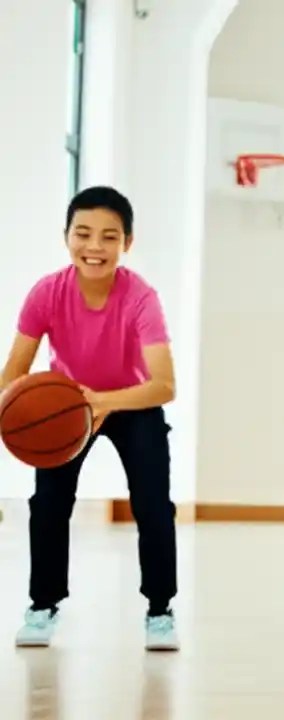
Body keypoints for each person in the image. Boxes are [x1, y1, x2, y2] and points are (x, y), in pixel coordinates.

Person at [2, 186, 180, 651]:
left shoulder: (141, 298)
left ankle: (160, 610)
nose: (95, 247)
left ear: (127, 243)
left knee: (153, 505)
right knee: (48, 505)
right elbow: (14, 374)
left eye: (109, 237)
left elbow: (164, 384)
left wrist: (103, 401)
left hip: (131, 402)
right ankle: (43, 606)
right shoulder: (46, 292)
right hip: (65, 404)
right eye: (83, 234)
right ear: (66, 238)